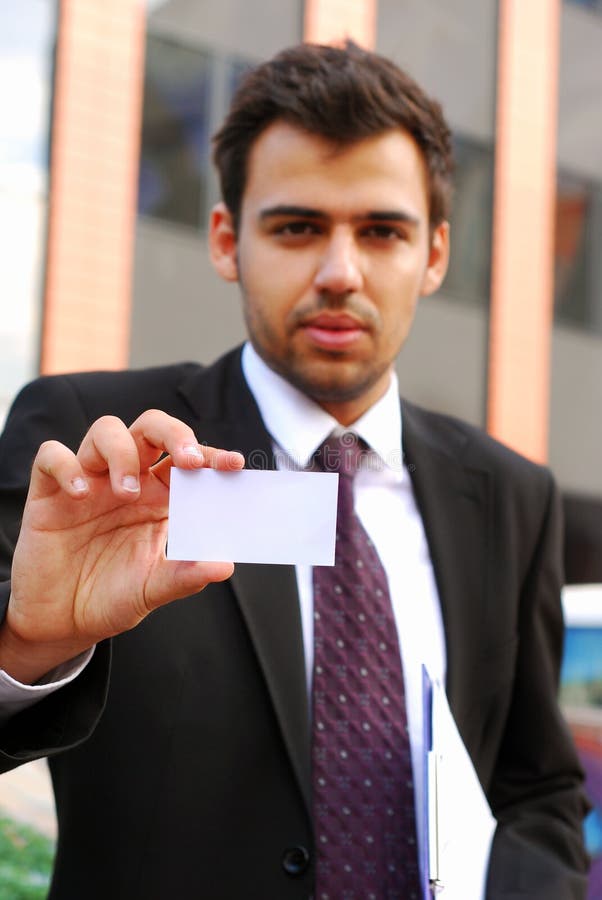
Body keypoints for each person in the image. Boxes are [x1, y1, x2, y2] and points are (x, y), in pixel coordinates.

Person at [0, 41, 589, 900]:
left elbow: (538, 786)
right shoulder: (102, 451)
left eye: (382, 231)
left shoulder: (510, 495)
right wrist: (29, 646)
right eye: (298, 226)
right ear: (227, 239)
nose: (339, 272)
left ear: (433, 255)